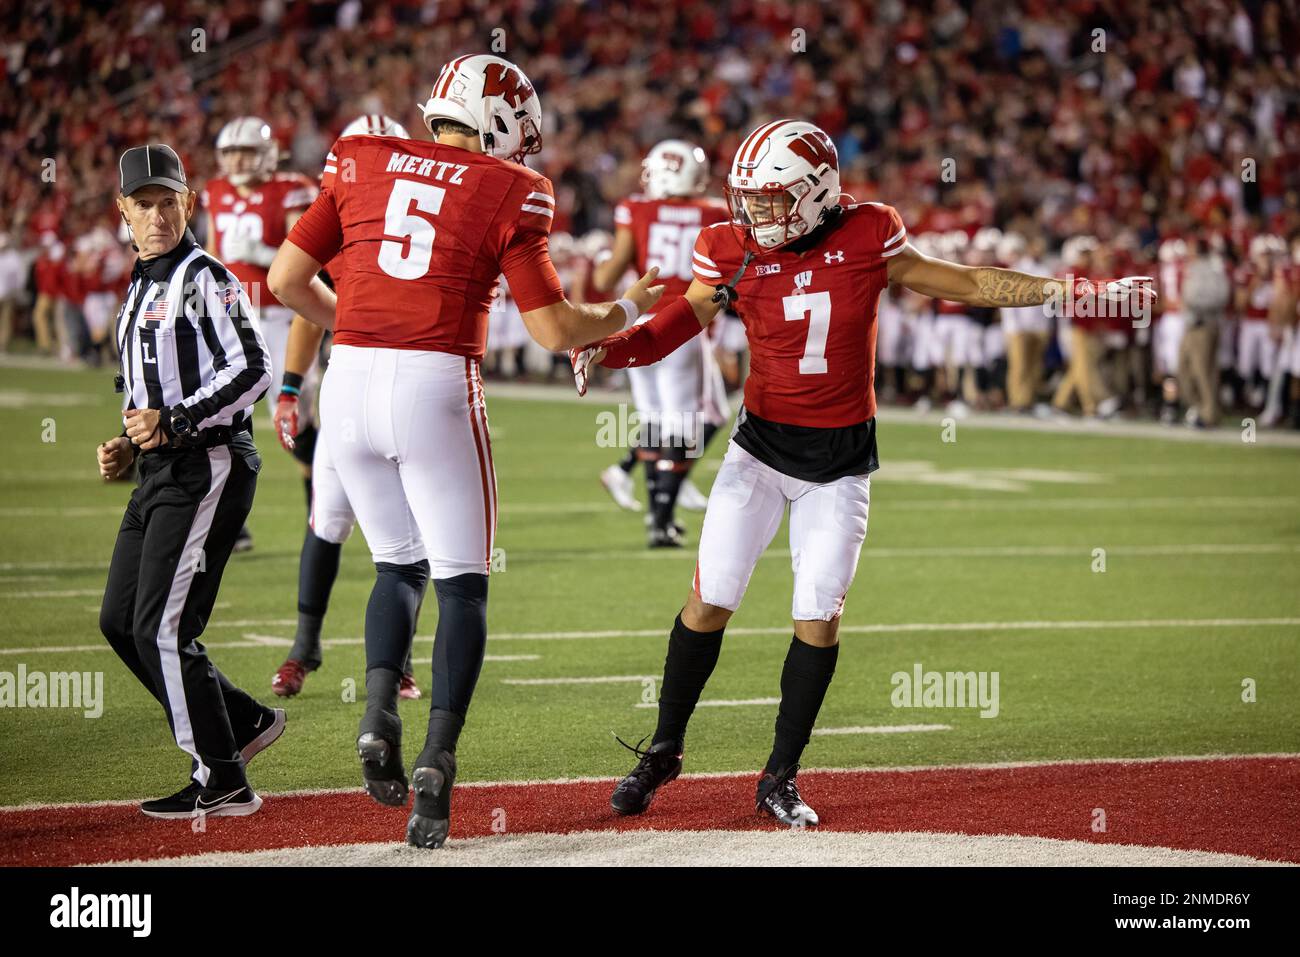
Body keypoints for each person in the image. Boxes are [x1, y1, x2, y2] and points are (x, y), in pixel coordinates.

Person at [571, 119, 1155, 826]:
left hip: (840, 462)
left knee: (818, 614)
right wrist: (616, 349)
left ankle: (779, 776)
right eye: (749, 199)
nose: (756, 215)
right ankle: (664, 748)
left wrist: (1071, 292)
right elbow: (681, 319)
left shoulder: (869, 232)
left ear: (817, 193)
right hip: (758, 451)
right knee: (710, 600)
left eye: (771, 200)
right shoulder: (728, 247)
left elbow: (968, 282)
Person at [267, 53, 662, 848]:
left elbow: (284, 279)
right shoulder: (513, 189)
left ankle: (378, 714)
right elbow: (553, 329)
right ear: (503, 125)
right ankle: (438, 762)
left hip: (347, 386)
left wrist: (354, 324)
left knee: (395, 566)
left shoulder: (363, 156)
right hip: (437, 379)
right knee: (464, 585)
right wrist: (624, 308)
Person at [96, 143, 284, 819]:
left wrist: (175, 419)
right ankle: (245, 720)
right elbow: (152, 385)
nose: (155, 215)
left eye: (165, 201)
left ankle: (224, 774)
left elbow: (255, 369)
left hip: (208, 462)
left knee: (163, 627)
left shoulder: (207, 277)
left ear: (190, 203)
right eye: (141, 204)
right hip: (160, 467)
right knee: (121, 620)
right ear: (122, 211)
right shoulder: (141, 284)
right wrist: (127, 441)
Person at [269, 114, 422, 700]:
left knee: (412, 535)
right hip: (356, 384)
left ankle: (398, 659)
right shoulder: (345, 212)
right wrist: (289, 386)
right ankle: (306, 646)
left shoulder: (414, 207)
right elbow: (301, 296)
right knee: (329, 520)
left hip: (414, 385)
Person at [591, 140, 730, 544]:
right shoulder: (715, 214)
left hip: (640, 324)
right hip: (683, 322)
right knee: (685, 424)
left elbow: (605, 278)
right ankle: (661, 521)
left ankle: (658, 513)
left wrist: (601, 259)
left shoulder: (636, 209)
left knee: (656, 421)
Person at [203, 116, 319, 550]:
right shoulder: (215, 191)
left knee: (294, 422)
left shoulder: (289, 188)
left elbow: (303, 257)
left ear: (267, 154)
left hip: (280, 319)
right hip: (233, 318)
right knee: (222, 422)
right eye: (231, 152)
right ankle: (233, 526)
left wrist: (265, 254)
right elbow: (215, 254)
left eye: (245, 152)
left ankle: (322, 510)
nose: (236, 160)